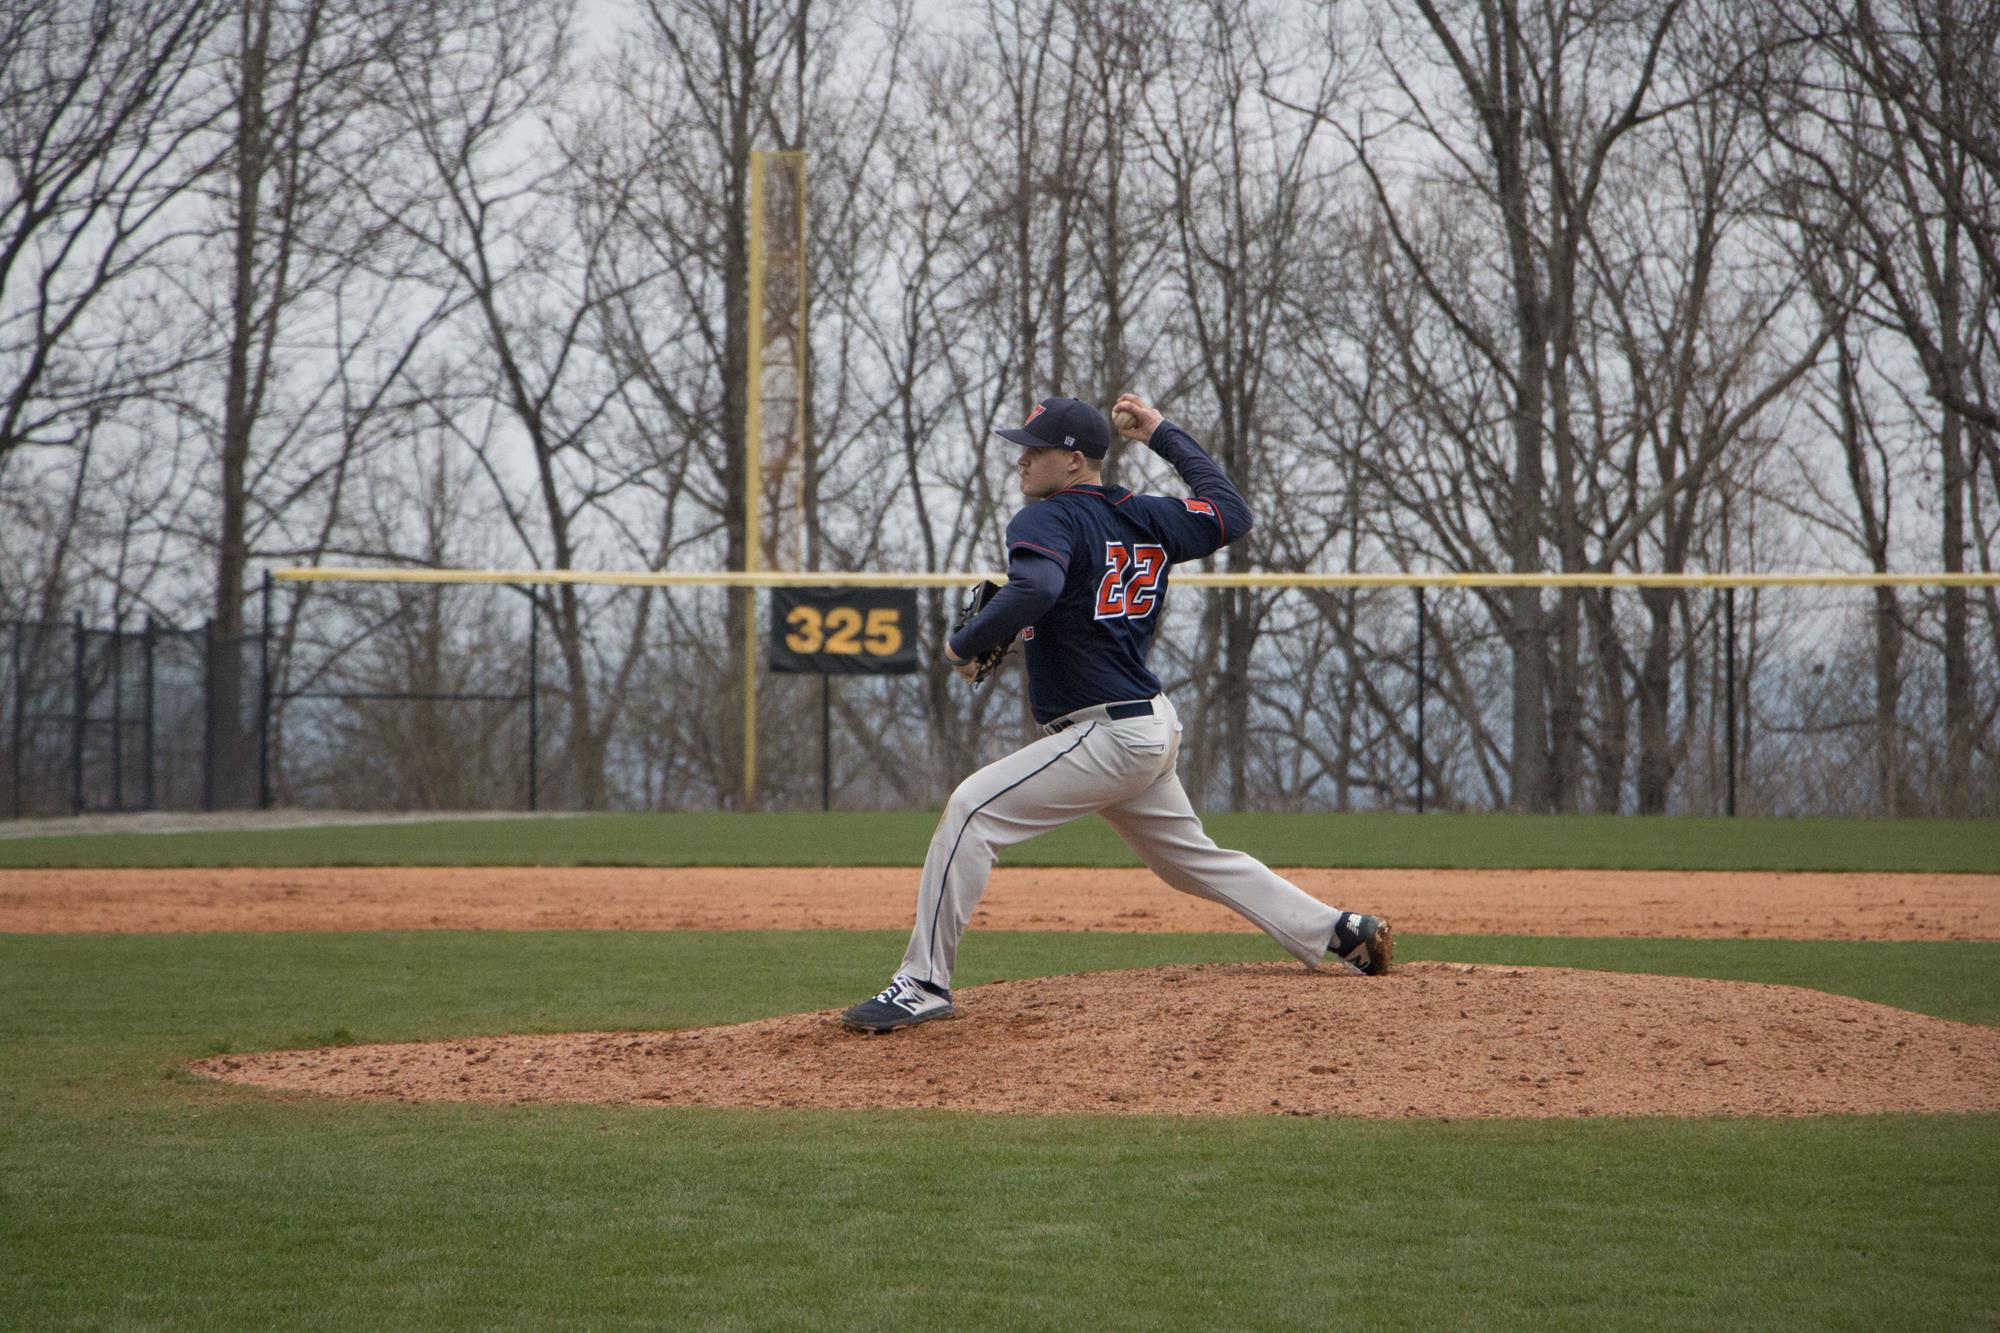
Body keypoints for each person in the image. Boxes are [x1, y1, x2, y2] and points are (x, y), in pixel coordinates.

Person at [840, 393, 1392, 1033]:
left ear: (1073, 461)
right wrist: (1162, 433)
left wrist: (963, 642)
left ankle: (922, 982)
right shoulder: (1147, 516)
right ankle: (1341, 930)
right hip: (1148, 724)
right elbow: (1231, 514)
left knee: (971, 810)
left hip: (1108, 733)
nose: (1022, 461)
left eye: (1036, 449)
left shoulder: (1045, 520)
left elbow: (1038, 588)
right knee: (1189, 860)